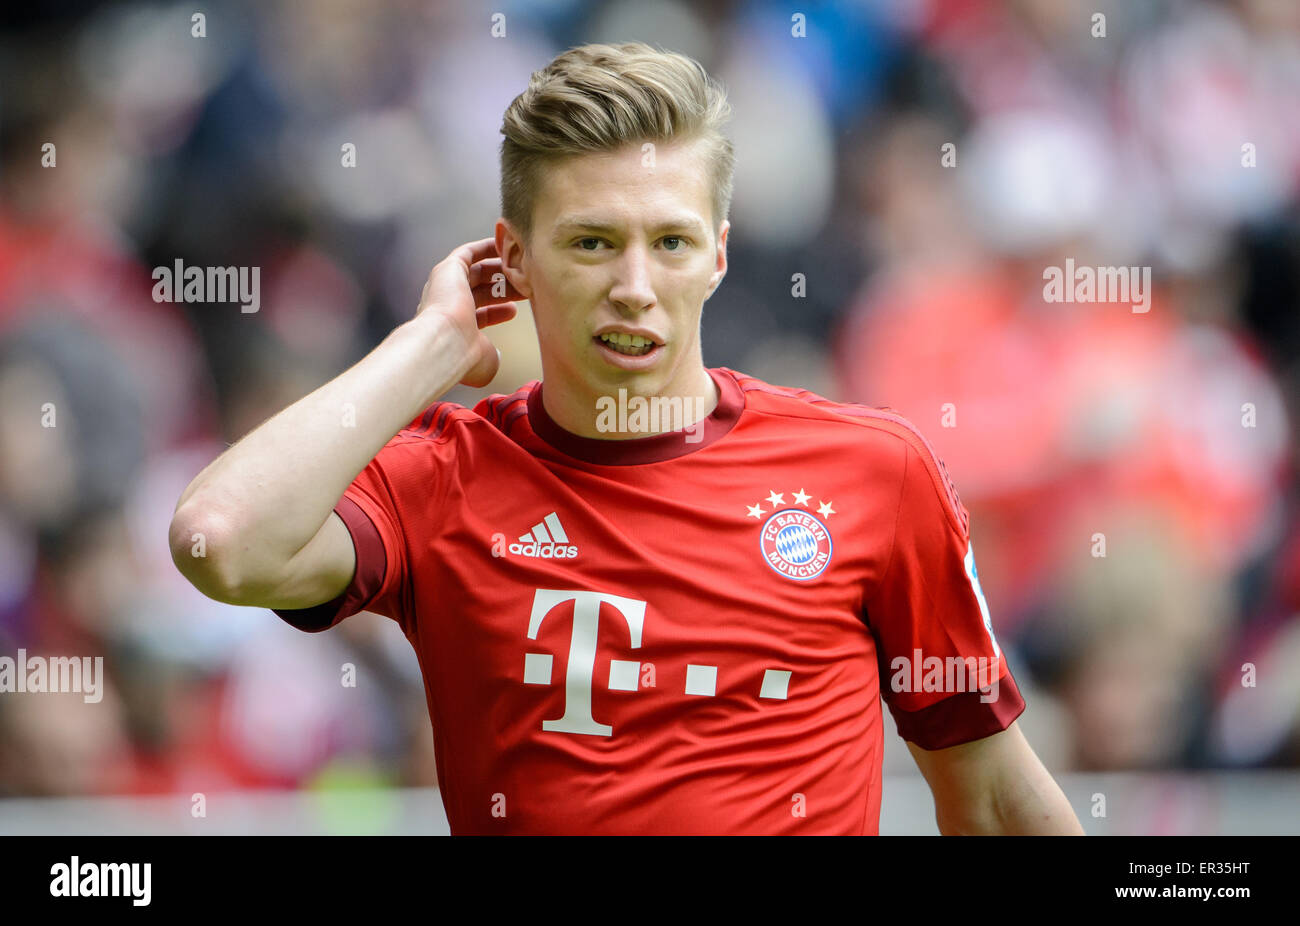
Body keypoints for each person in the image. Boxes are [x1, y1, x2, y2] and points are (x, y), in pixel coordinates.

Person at [169, 42, 1082, 835]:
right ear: (514, 259)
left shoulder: (874, 473)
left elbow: (994, 798)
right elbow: (222, 540)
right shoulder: (442, 479)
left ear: (719, 255)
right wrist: (431, 345)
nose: (635, 285)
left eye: (672, 243)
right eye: (593, 243)